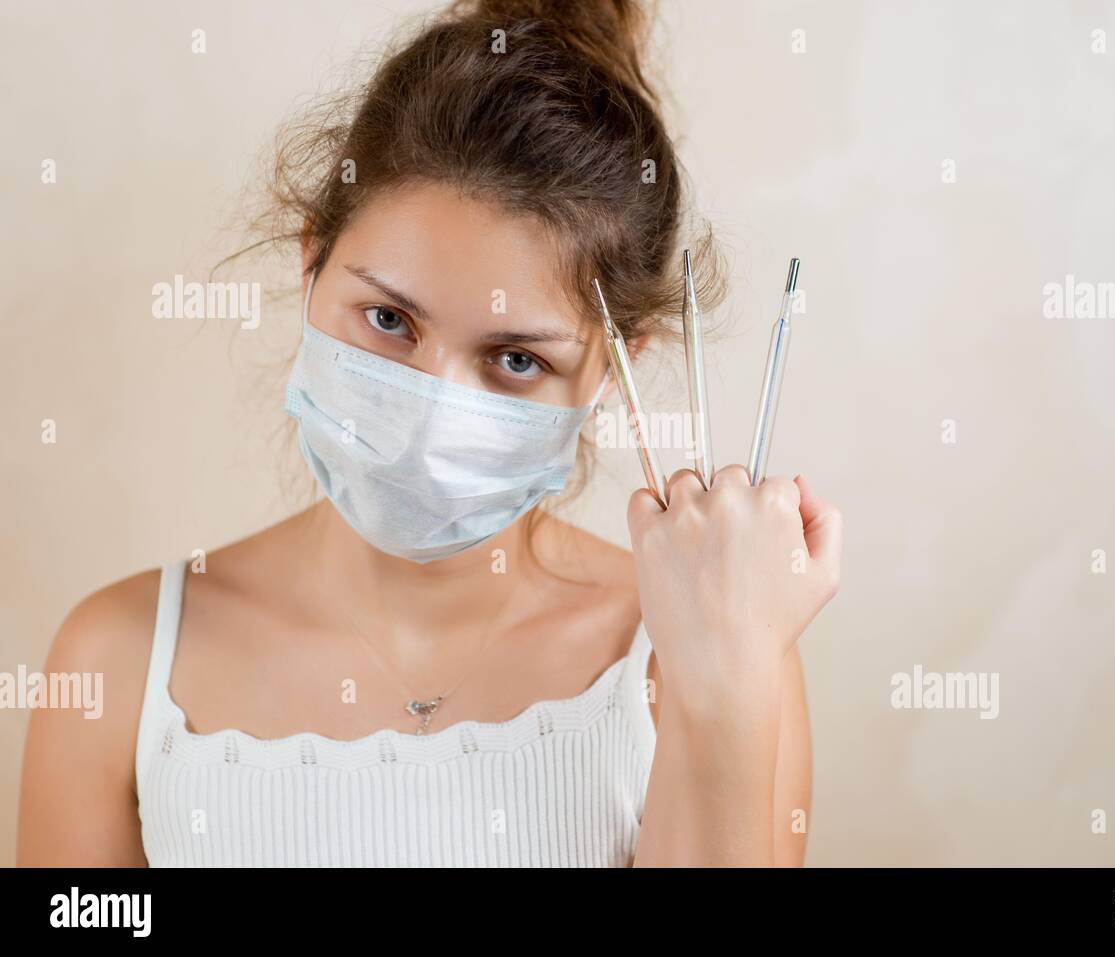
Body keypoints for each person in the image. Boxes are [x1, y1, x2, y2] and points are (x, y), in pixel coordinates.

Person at [17, 0, 841, 867]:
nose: (428, 409)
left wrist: (722, 685)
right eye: (387, 318)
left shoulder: (704, 656)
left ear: (612, 370)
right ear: (310, 267)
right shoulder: (117, 668)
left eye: (515, 359)